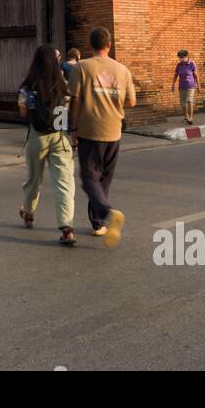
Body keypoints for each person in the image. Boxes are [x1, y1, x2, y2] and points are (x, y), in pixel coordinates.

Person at [68, 26, 134, 247]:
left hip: (90, 131)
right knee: (103, 179)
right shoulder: (123, 70)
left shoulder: (82, 68)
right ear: (109, 45)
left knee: (89, 179)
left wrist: (73, 129)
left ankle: (107, 213)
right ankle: (98, 223)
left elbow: (75, 100)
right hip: (114, 131)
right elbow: (132, 102)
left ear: (90, 45)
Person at [17, 45, 77, 246]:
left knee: (34, 178)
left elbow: (24, 112)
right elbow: (69, 107)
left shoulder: (28, 85)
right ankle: (67, 228)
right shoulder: (63, 83)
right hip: (60, 137)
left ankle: (28, 211)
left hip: (38, 136)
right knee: (64, 183)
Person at [170, 49, 199, 124]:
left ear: (187, 56)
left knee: (189, 100)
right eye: (180, 58)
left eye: (182, 57)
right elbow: (176, 75)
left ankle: (191, 117)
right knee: (183, 102)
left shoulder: (192, 64)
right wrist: (173, 84)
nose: (181, 59)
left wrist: (198, 85)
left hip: (190, 85)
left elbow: (195, 75)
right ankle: (186, 116)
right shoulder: (179, 65)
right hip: (182, 86)